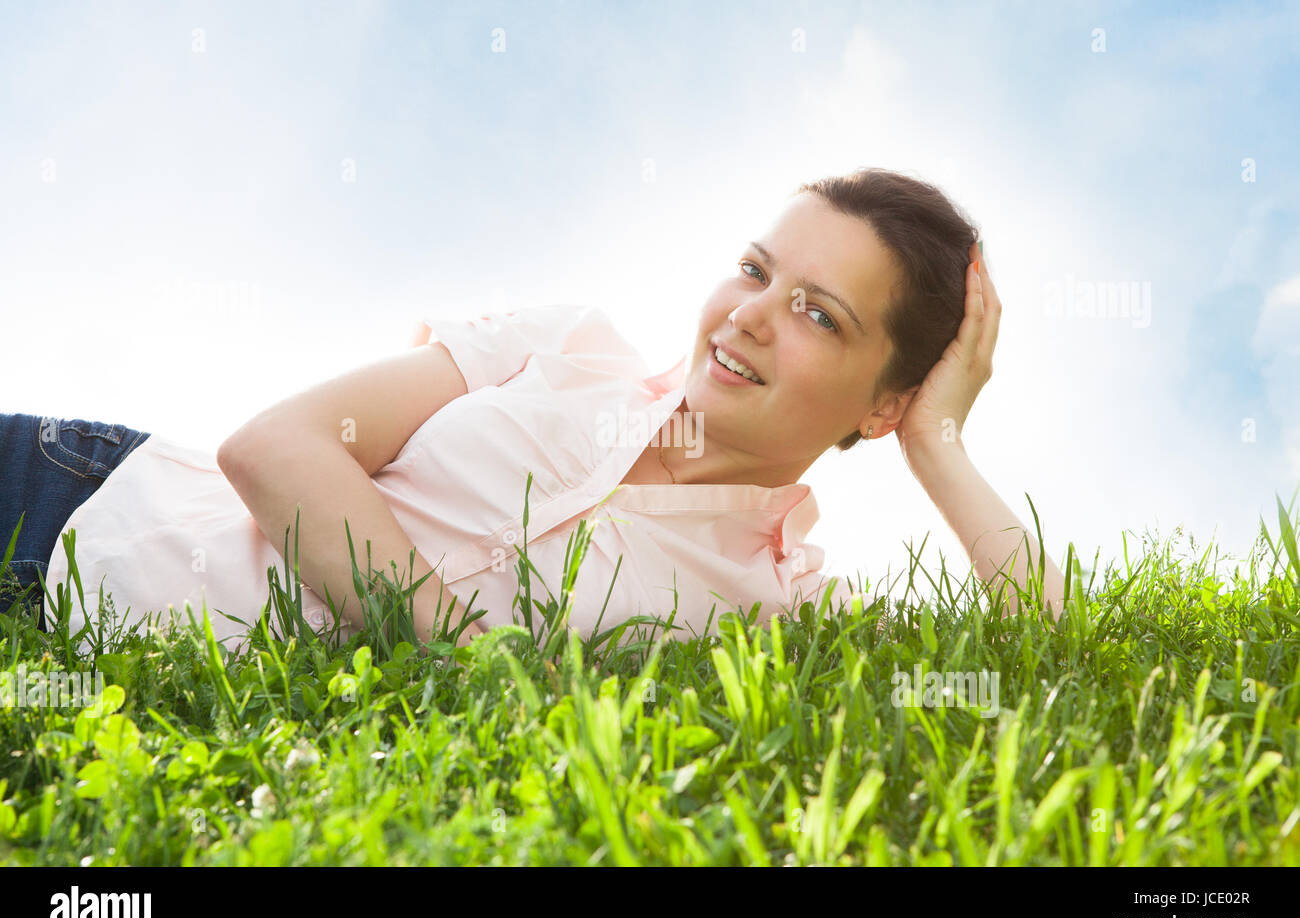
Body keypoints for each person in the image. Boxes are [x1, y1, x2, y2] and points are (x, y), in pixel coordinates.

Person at [1, 167, 1066, 655]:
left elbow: (1043, 650)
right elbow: (274, 449)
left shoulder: (772, 606)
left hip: (75, 650)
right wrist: (470, 660)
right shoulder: (564, 344)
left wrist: (939, 442)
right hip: (68, 502)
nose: (747, 316)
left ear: (880, 402)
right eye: (752, 268)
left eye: (815, 314)